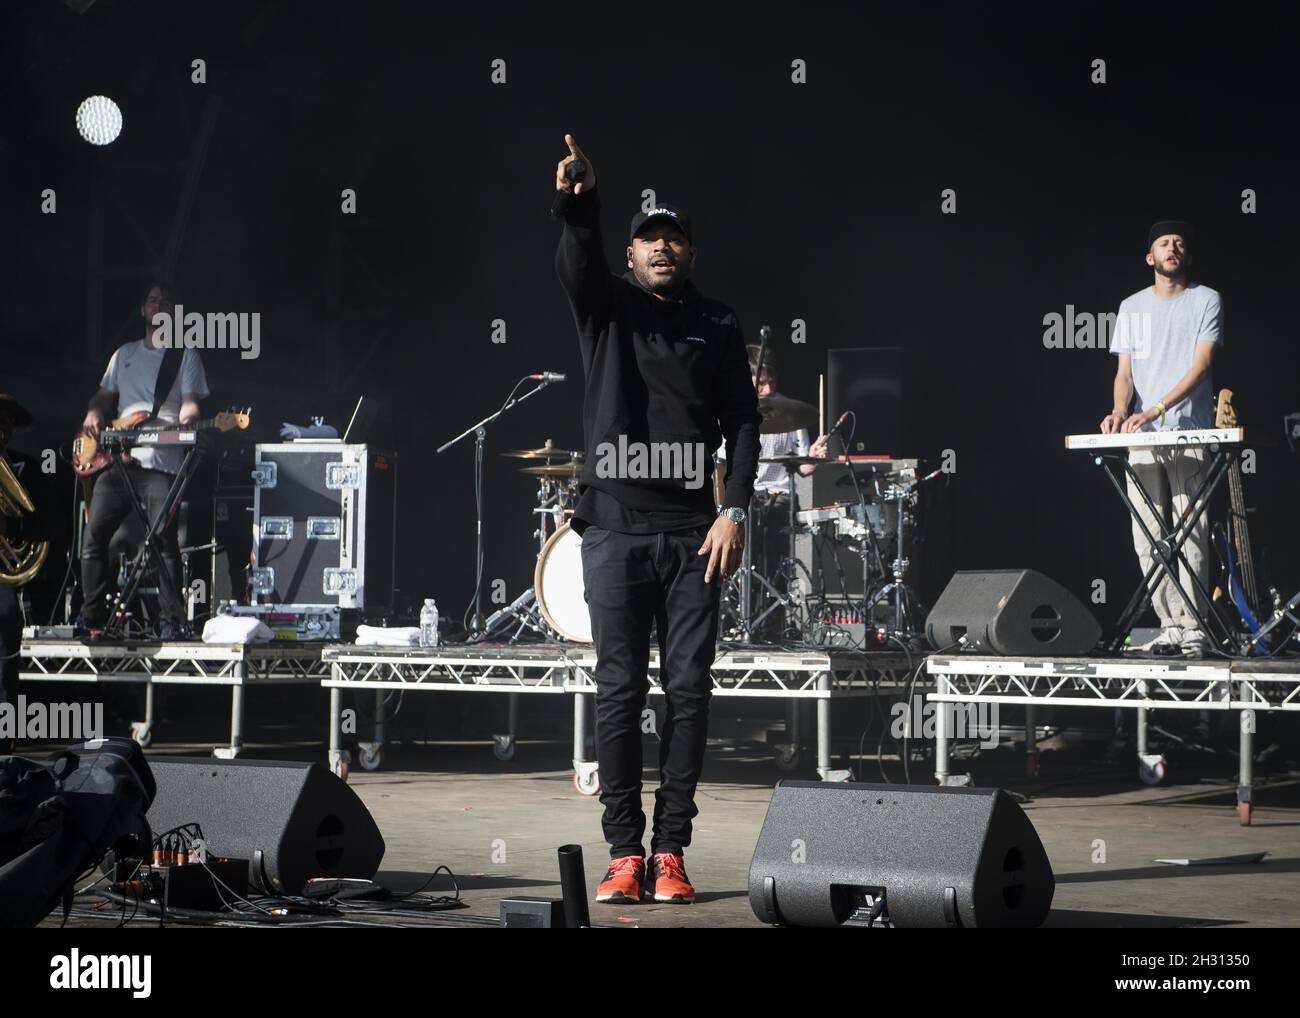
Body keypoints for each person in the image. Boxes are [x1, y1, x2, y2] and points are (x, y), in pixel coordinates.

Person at [554, 134, 760, 904]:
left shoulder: (719, 320)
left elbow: (743, 421)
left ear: (690, 250)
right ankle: (622, 853)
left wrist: (732, 508)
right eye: (647, 238)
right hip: (612, 526)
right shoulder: (608, 307)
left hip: (691, 533)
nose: (660, 246)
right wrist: (580, 205)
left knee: (689, 690)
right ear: (632, 254)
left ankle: (670, 850)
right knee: (617, 691)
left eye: (672, 236)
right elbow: (577, 259)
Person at [1101, 221, 1221, 657]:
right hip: (1143, 435)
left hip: (1188, 430)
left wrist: (1156, 409)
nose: (1173, 248)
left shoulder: (1205, 299)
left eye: (1180, 244)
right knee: (1148, 534)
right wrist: (1119, 411)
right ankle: (1169, 624)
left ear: (1186, 257)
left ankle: (1194, 628)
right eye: (1164, 244)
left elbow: (1201, 366)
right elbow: (1125, 374)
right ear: (1150, 257)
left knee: (1190, 531)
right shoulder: (1131, 307)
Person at [76, 281, 209, 639]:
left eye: (165, 300)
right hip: (118, 462)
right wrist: (93, 411)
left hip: (159, 464)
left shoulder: (185, 354)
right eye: (152, 300)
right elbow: (104, 395)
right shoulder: (124, 354)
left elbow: (192, 401)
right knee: (93, 539)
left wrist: (189, 418)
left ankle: (170, 620)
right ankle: (92, 617)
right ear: (143, 310)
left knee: (163, 543)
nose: (158, 304)